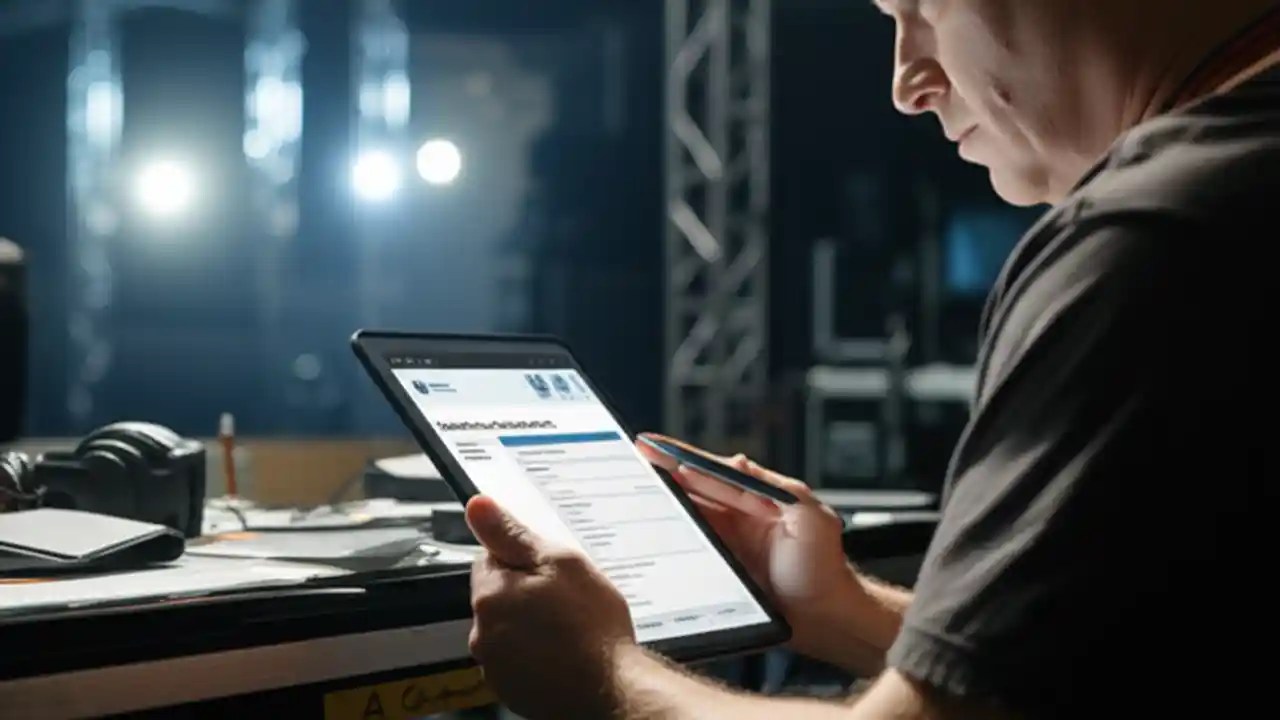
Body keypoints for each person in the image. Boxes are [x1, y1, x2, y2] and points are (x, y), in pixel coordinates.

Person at [464, 0, 1275, 717]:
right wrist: (840, 609)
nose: (907, 81)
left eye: (918, 7)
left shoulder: (1157, 238)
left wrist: (601, 671)